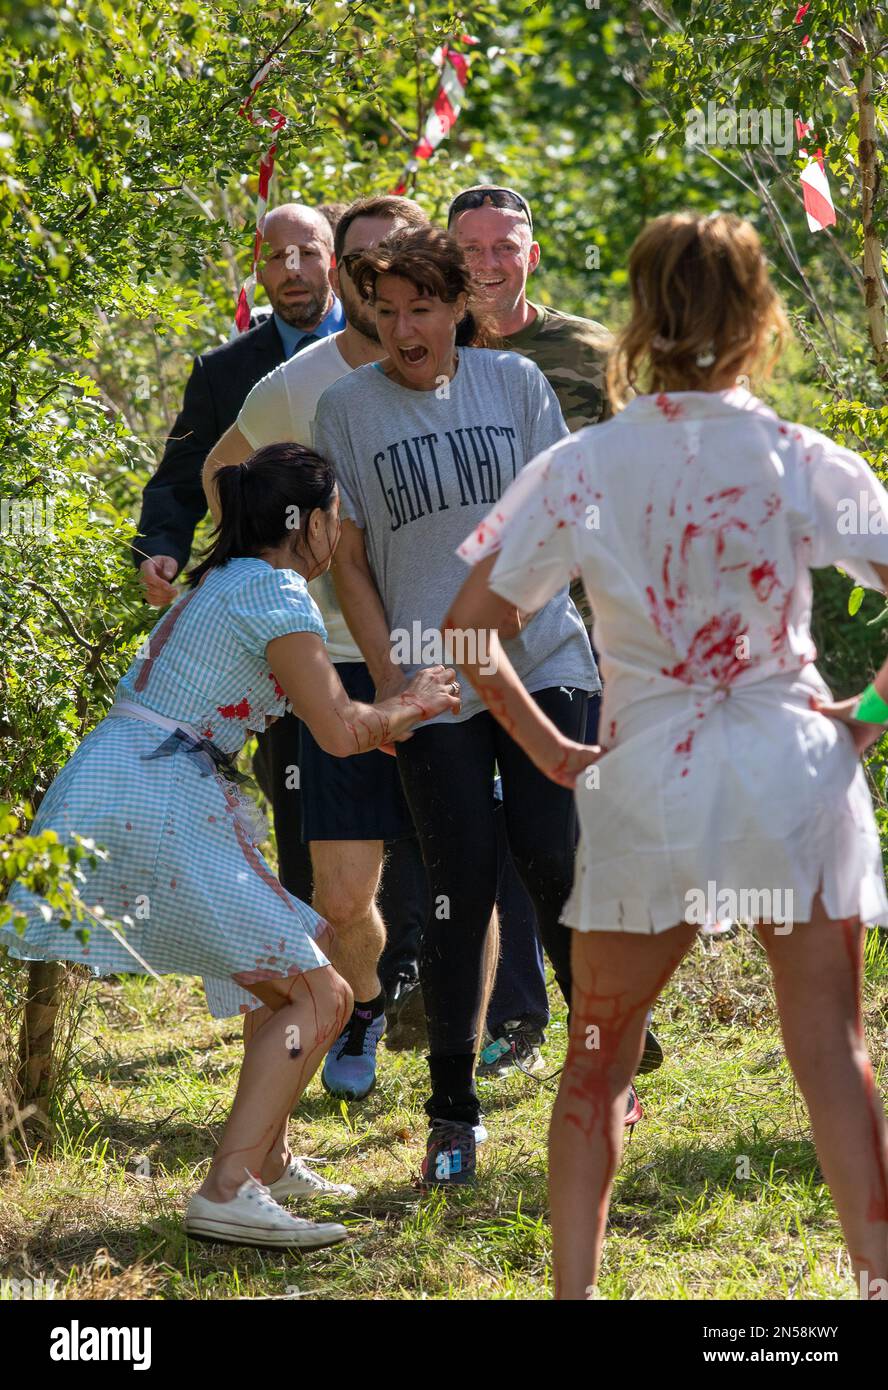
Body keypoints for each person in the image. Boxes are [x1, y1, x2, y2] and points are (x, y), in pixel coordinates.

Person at [445, 210, 888, 1298]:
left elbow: (467, 631)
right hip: (794, 765)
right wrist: (865, 715)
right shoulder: (799, 455)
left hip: (648, 774)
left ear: (641, 316)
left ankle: (575, 1297)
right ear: (760, 317)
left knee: (597, 1053)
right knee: (832, 1053)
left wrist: (550, 747)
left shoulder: (583, 463)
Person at [2, 443, 459, 1248]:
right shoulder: (277, 591)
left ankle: (268, 1163)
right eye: (336, 516)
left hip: (130, 780)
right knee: (323, 995)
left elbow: (317, 712)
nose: (340, 530)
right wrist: (412, 703)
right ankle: (228, 1187)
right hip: (156, 792)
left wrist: (372, 721)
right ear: (308, 523)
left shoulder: (228, 581)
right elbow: (341, 729)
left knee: (297, 964)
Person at [316, 223, 600, 1184]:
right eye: (386, 311)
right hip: (431, 683)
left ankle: (601, 1058)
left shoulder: (514, 385)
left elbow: (563, 519)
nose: (405, 329)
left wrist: (506, 626)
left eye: (423, 308)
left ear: (458, 308)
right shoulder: (345, 409)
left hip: (544, 657)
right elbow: (351, 558)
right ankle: (452, 1114)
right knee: (458, 885)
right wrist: (393, 680)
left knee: (551, 857)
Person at [201, 195, 434, 1098]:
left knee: (469, 868)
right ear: (344, 273)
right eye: (364, 266)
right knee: (341, 896)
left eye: (399, 262)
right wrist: (276, 577)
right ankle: (366, 1005)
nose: (381, 281)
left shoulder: (471, 371)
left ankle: (467, 1058)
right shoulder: (299, 384)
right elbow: (223, 471)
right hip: (339, 659)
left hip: (454, 652)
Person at [448, 183, 617, 1078]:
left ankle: (604, 1003)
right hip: (459, 624)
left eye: (503, 247)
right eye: (468, 248)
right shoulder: (426, 346)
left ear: (532, 256)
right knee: (495, 827)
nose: (486, 265)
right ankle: (517, 1018)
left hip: (576, 632)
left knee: (562, 827)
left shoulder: (589, 352)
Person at [133, 202, 344, 902]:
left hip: (382, 609)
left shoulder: (383, 345)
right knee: (295, 794)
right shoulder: (225, 371)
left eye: (307, 252)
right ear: (258, 268)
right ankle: (307, 946)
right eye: (276, 256)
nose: (293, 268)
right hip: (272, 622)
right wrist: (162, 550)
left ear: (334, 259)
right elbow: (178, 481)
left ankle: (401, 959)